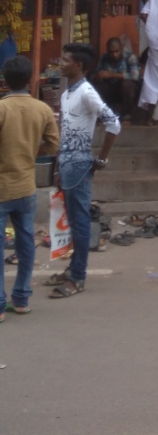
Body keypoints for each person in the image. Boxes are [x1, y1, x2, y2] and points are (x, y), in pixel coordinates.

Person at [47, 44, 120, 299]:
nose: (61, 63)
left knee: (79, 222)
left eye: (65, 59)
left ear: (78, 66)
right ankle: (73, 269)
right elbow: (65, 133)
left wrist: (102, 159)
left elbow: (113, 124)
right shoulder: (68, 93)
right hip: (67, 165)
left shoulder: (87, 93)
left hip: (79, 165)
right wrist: (58, 168)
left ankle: (77, 277)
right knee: (73, 221)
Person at [0, 55, 59, 319]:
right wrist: (32, 150)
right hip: (26, 186)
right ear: (30, 80)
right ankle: (21, 299)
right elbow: (54, 145)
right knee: (25, 245)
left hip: (2, 188)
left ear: (5, 80)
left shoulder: (2, 109)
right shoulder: (42, 109)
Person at [94, 37, 139, 120]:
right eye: (111, 52)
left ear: (121, 48)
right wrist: (99, 76)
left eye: (117, 51)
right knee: (100, 86)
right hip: (111, 88)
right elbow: (96, 73)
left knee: (127, 85)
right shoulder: (104, 57)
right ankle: (105, 115)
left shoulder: (130, 56)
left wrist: (111, 75)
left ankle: (126, 116)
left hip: (127, 91)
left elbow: (135, 76)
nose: (114, 55)